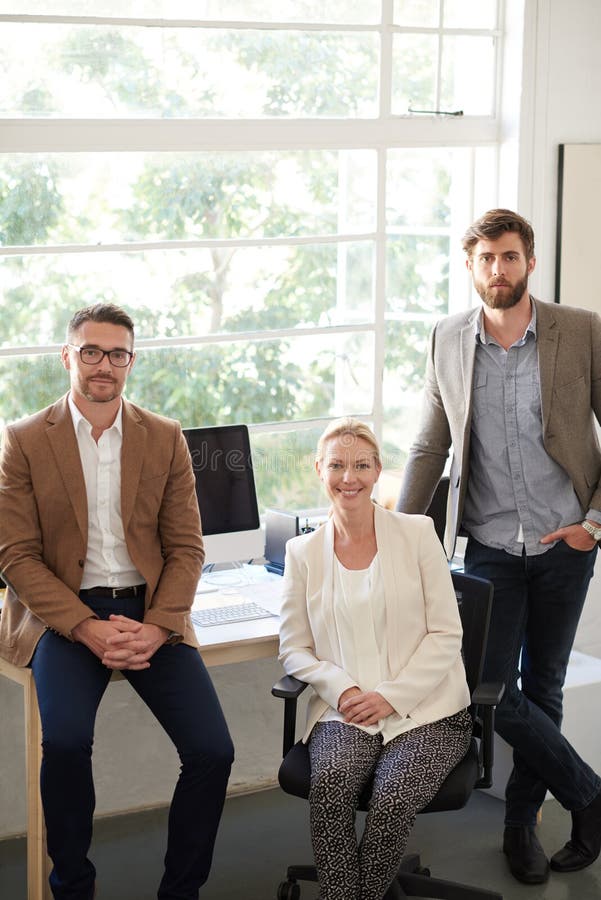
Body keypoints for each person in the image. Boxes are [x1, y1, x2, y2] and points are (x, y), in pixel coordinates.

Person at [0, 303, 234, 900]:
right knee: (68, 742)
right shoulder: (24, 440)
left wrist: (158, 626)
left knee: (212, 750)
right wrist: (84, 626)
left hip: (149, 615)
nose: (104, 365)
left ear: (132, 360)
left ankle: (180, 891)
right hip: (64, 619)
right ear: (67, 355)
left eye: (117, 354)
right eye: (91, 351)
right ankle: (73, 886)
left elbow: (186, 547)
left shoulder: (165, 436)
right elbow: (16, 556)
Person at [396, 208, 601, 885]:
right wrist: (403, 535)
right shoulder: (447, 339)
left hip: (563, 543)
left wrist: (591, 524)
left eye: (508, 256)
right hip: (485, 542)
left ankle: (520, 829)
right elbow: (431, 444)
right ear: (469, 266)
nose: (497, 269)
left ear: (529, 262)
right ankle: (589, 796)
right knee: (486, 688)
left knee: (542, 686)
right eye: (484, 258)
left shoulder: (578, 330)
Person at [279, 417, 472, 900]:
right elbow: (294, 647)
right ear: (319, 470)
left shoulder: (417, 533)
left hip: (428, 711)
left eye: (362, 465)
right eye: (338, 465)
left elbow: (447, 634)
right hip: (346, 712)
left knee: (392, 797)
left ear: (378, 471)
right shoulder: (302, 553)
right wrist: (340, 688)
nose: (350, 477)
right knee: (332, 787)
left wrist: (390, 697)